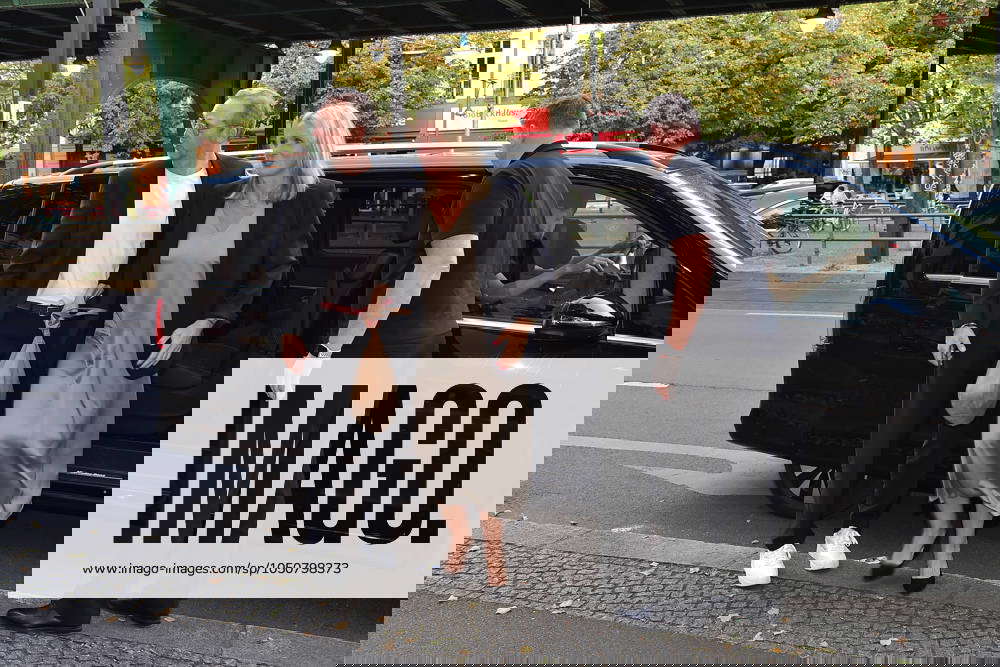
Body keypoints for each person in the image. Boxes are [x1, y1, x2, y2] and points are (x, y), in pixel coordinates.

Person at [2, 94, 357, 635]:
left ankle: (73, 610)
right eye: (288, 136)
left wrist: (205, 327)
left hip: (208, 359)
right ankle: (147, 599)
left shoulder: (317, 201)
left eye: (309, 138)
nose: (286, 148)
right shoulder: (228, 189)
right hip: (140, 340)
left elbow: (283, 281)